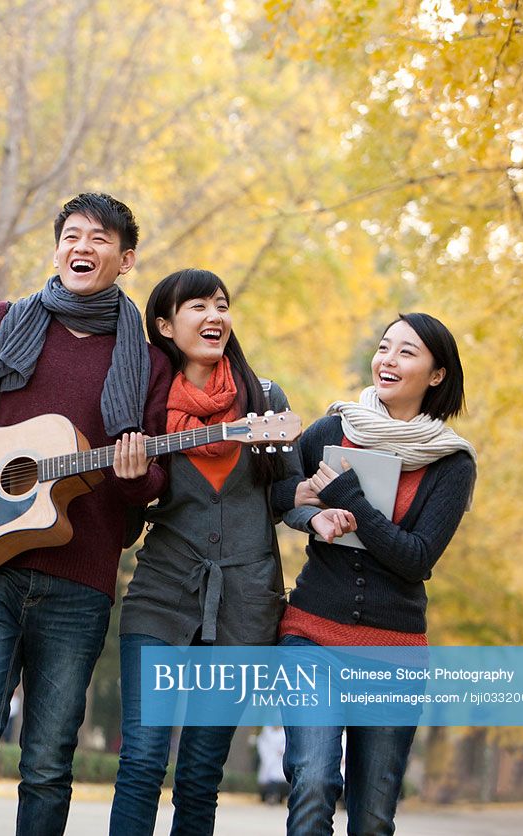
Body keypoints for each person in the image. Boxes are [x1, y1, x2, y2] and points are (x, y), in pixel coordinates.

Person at [0, 193, 171, 836]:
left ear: (126, 260)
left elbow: (155, 482)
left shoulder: (149, 362)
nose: (82, 247)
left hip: (82, 581)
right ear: (56, 248)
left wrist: (137, 474)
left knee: (48, 760)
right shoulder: (1, 323)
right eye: (72, 235)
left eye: (99, 238)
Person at [110, 268, 302, 835]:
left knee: (199, 775)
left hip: (246, 606)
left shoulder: (264, 399)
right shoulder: (145, 408)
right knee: (142, 761)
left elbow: (287, 493)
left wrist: (316, 505)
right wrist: (129, 480)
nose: (214, 315)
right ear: (165, 325)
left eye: (221, 304)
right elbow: (127, 514)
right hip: (161, 596)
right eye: (198, 305)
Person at [279, 312, 475, 835]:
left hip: (394, 653)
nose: (388, 360)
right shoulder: (332, 430)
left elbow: (416, 557)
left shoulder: (451, 463)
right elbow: (279, 496)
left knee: (371, 817)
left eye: (407, 352)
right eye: (385, 347)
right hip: (311, 636)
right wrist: (312, 515)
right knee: (313, 782)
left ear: (437, 374)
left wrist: (349, 499)